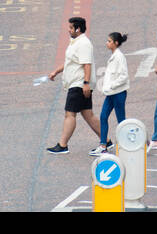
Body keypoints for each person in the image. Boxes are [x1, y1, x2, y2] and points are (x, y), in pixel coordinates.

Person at [46, 16, 99, 153]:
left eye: (70, 27)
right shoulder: (75, 42)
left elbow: (87, 64)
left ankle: (62, 145)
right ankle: (106, 141)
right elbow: (71, 62)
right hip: (78, 83)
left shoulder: (83, 44)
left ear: (78, 29)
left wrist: (86, 83)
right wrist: (56, 71)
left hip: (79, 84)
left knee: (70, 114)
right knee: (88, 114)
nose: (68, 30)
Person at [93, 32, 130, 156]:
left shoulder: (119, 57)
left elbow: (124, 76)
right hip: (111, 94)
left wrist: (111, 86)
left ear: (116, 43)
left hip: (118, 93)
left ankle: (135, 142)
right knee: (103, 116)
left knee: (121, 121)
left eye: (109, 41)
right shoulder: (113, 56)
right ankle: (103, 145)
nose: (107, 43)